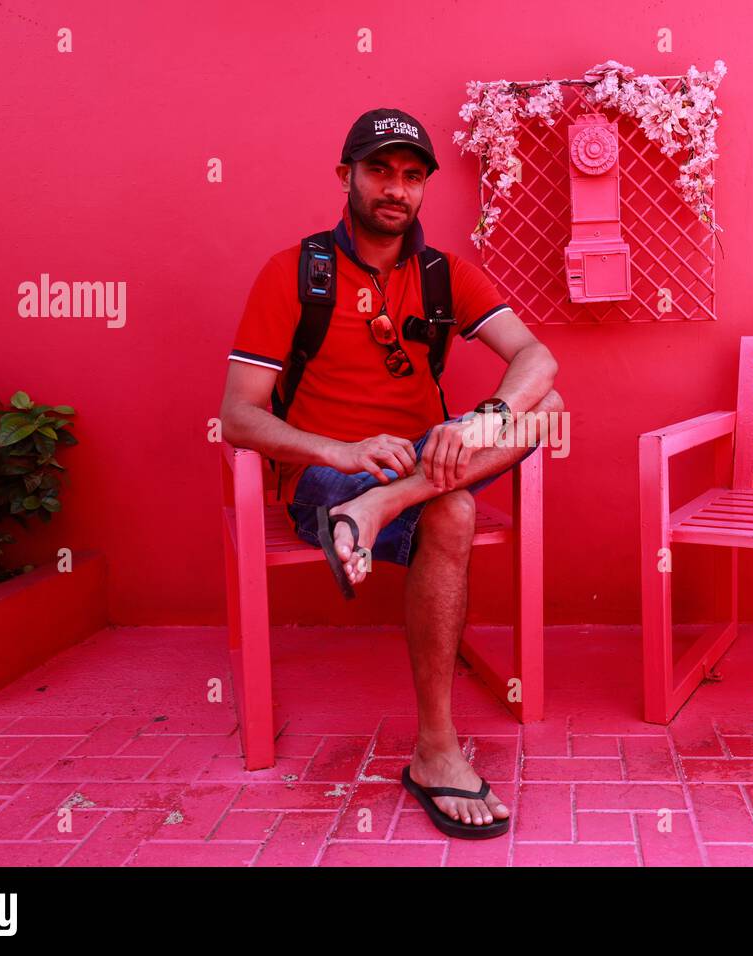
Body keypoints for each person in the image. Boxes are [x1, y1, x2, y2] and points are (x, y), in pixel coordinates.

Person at [219, 107, 562, 838]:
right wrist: (338, 453)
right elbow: (238, 418)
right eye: (379, 170)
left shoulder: (444, 276)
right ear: (347, 176)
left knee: (545, 403)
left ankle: (383, 511)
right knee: (456, 510)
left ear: (424, 190)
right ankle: (437, 751)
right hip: (327, 477)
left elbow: (538, 358)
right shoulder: (294, 273)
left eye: (412, 176)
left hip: (424, 456)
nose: (395, 189)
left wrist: (479, 421)